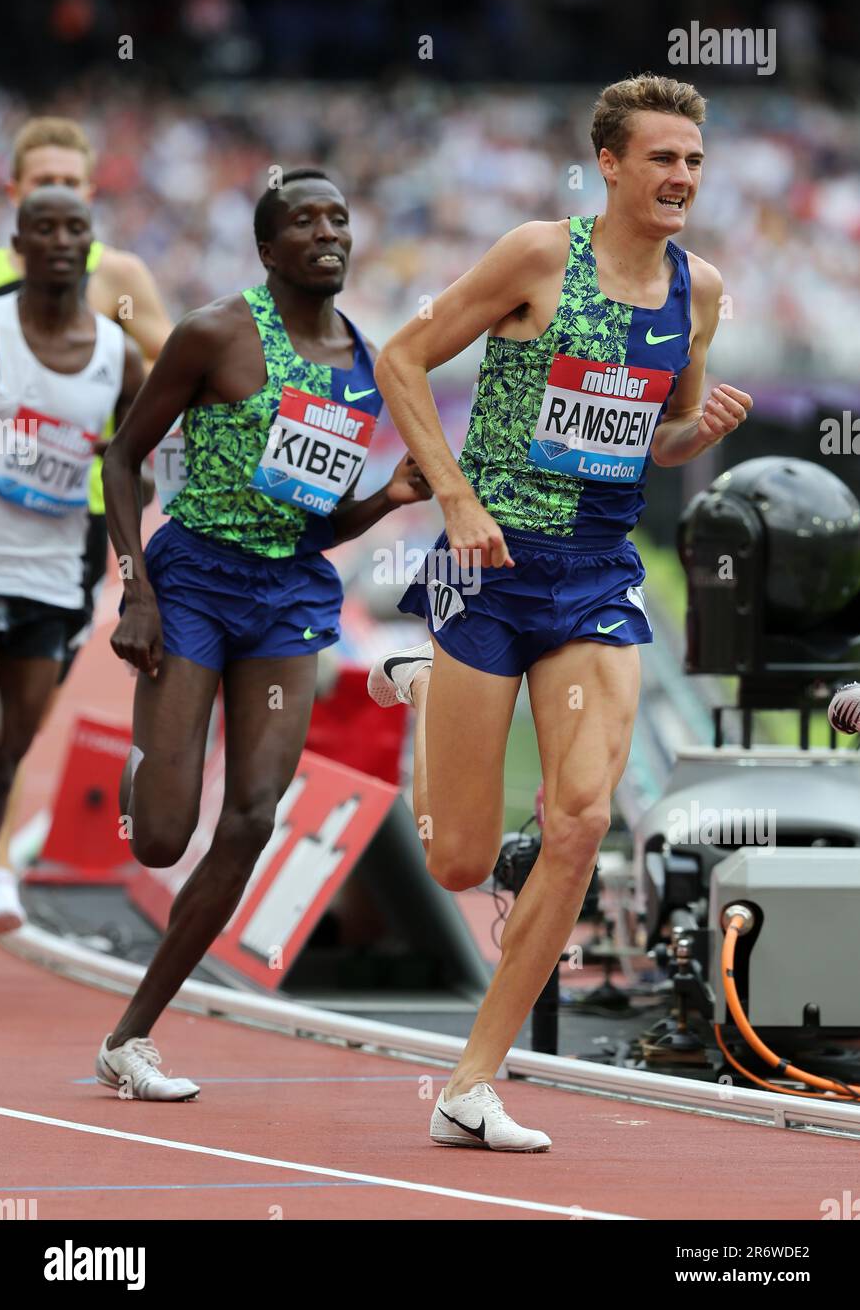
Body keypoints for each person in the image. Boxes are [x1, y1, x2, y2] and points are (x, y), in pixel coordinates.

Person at [367, 74, 753, 1151]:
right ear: (611, 165)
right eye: (663, 157)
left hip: (594, 576)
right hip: (487, 568)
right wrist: (455, 496)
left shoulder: (700, 291)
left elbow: (660, 438)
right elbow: (401, 357)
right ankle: (426, 688)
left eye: (694, 160)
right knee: (457, 860)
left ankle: (471, 1083)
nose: (681, 176)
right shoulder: (539, 256)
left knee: (579, 822)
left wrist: (698, 431)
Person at [97, 169, 431, 1100]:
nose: (327, 233)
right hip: (194, 583)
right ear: (267, 248)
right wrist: (135, 591)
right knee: (160, 838)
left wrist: (385, 500)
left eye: (339, 219)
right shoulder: (215, 333)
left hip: (288, 600)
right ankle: (146, 768)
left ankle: (131, 1036)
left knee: (250, 817)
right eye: (304, 221)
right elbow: (123, 458)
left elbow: (313, 523)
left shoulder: (368, 366)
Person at [0, 117, 171, 933]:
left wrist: (115, 434)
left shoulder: (119, 278)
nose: (59, 208)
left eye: (73, 189)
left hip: (79, 524)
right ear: (15, 194)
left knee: (21, 718)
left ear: (92, 196)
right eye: (43, 188)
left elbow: (172, 364)